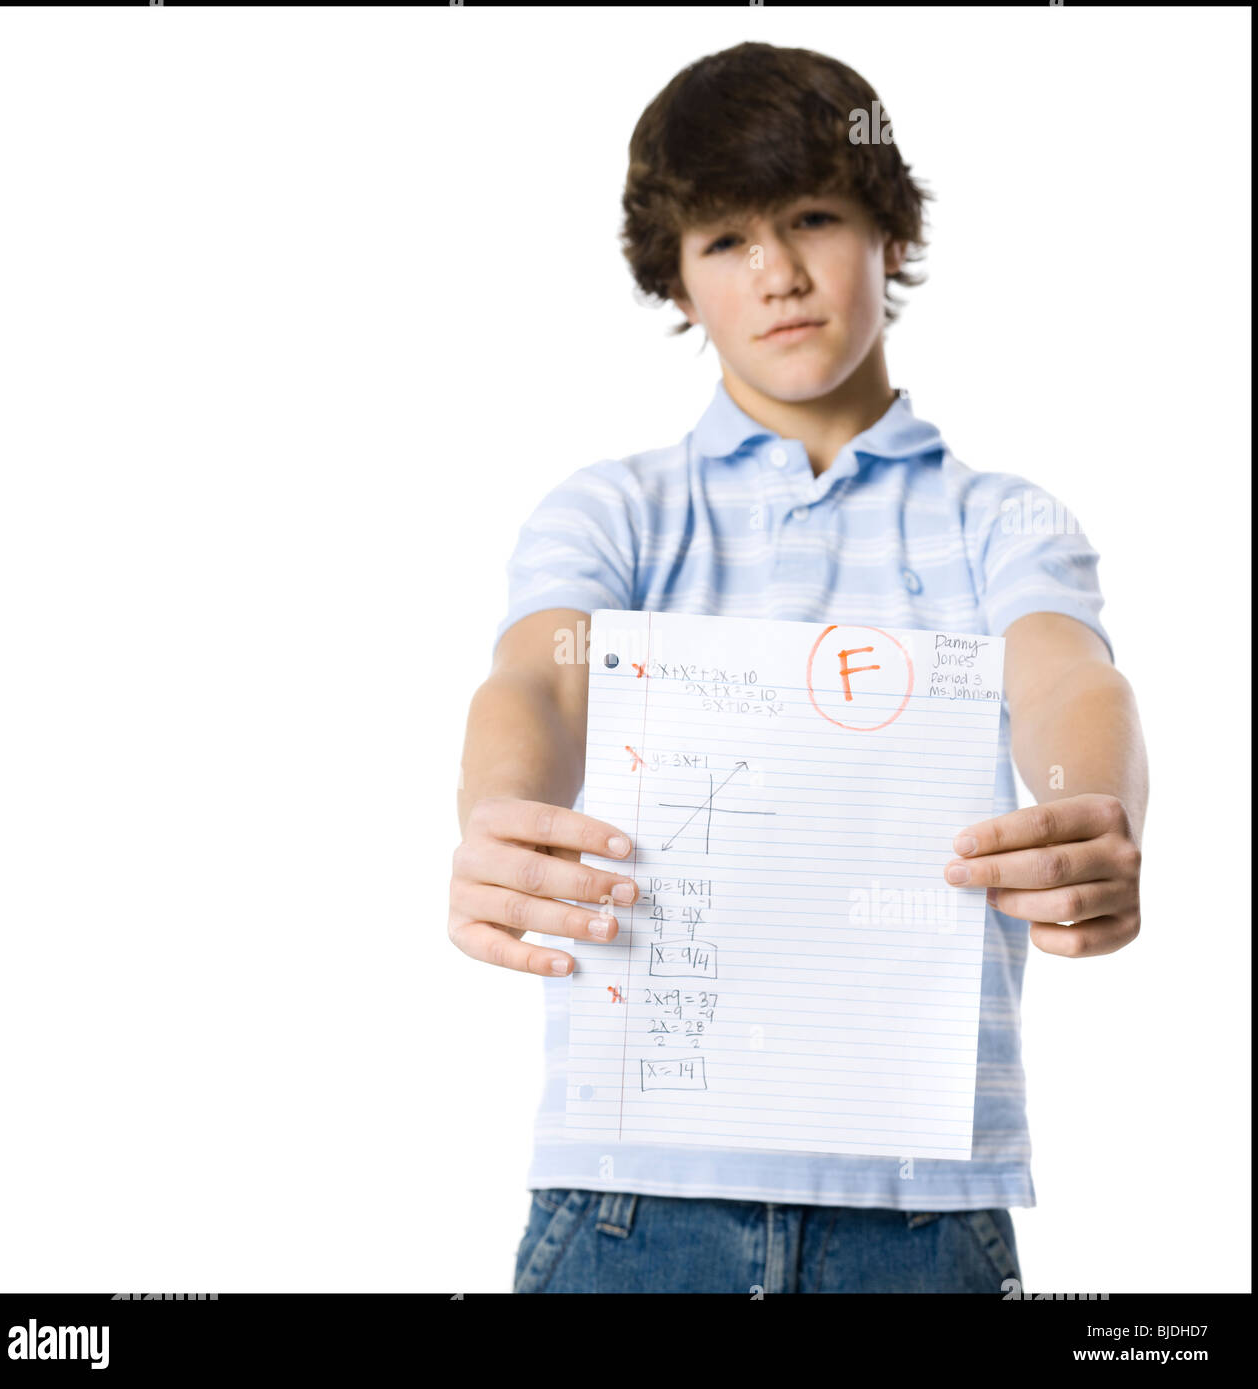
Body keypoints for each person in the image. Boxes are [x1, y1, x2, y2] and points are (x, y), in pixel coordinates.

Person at [448, 41, 1147, 1294]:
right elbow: (543, 675)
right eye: (724, 242)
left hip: (922, 1218)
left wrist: (1086, 810)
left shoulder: (1004, 522)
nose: (776, 274)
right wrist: (497, 814)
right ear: (677, 278)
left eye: (812, 217)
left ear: (887, 228)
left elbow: (1063, 677)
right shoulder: (615, 511)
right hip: (626, 1208)